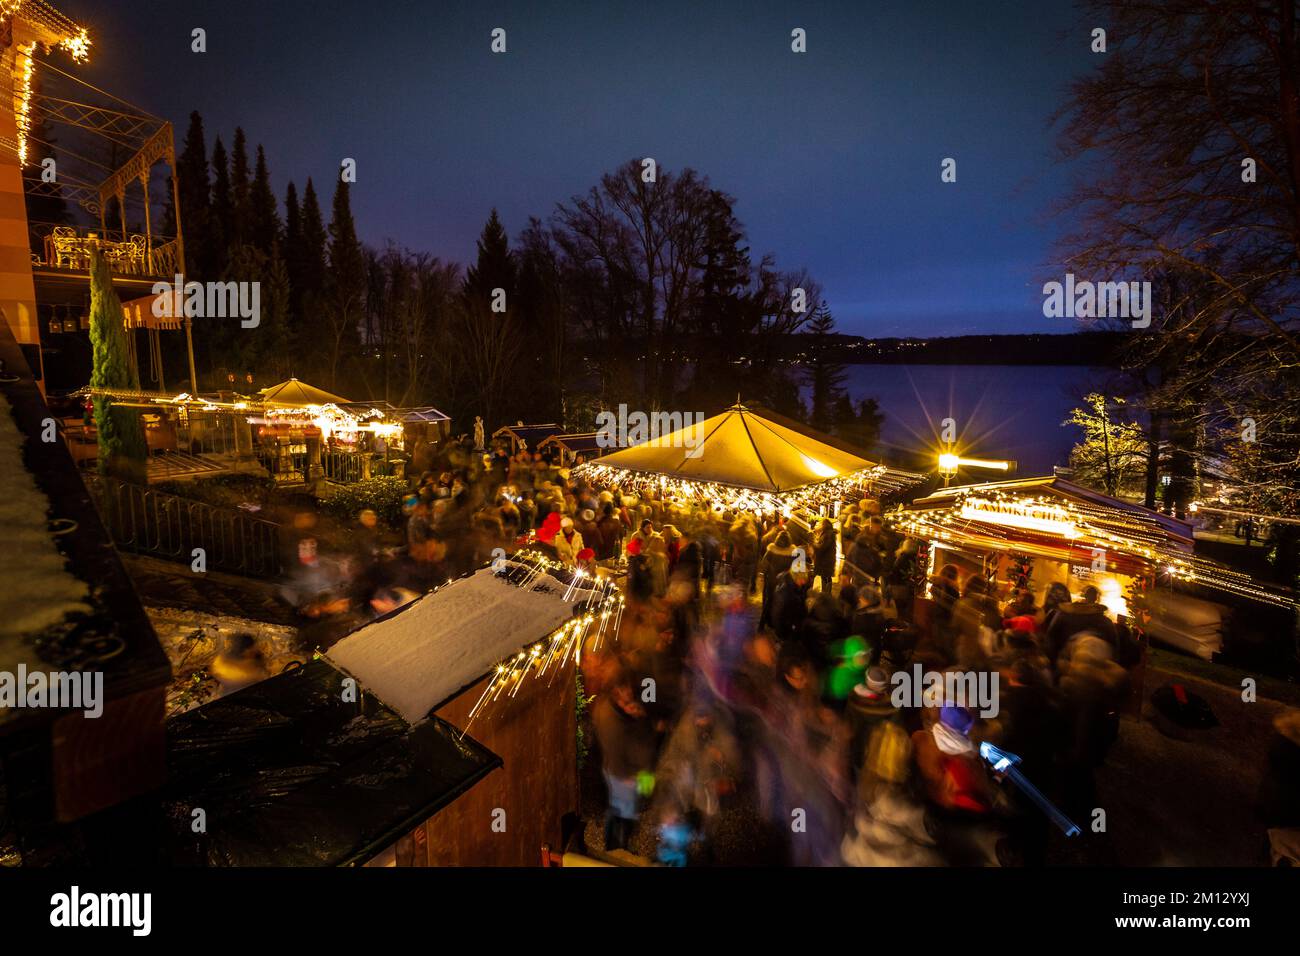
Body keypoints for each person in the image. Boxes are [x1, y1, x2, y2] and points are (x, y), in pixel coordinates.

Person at [591, 676, 658, 852]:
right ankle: (618, 850)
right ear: (616, 692)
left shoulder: (605, 707)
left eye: (629, 688)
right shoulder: (616, 723)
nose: (629, 693)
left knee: (617, 810)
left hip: (617, 773)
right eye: (625, 690)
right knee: (624, 815)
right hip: (625, 777)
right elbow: (632, 748)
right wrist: (640, 720)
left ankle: (613, 847)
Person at [1043, 584, 1117, 665]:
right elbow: (1114, 651)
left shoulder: (1063, 615)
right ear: (1096, 597)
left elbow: (1050, 640)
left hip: (1064, 666)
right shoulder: (1105, 622)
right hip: (1093, 670)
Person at [812, 518, 838, 594]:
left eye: (820, 524)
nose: (819, 525)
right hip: (827, 560)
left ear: (824, 525)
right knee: (826, 577)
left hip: (825, 561)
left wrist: (814, 545)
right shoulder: (828, 533)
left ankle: (826, 593)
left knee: (825, 577)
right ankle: (826, 592)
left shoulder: (827, 534)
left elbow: (822, 547)